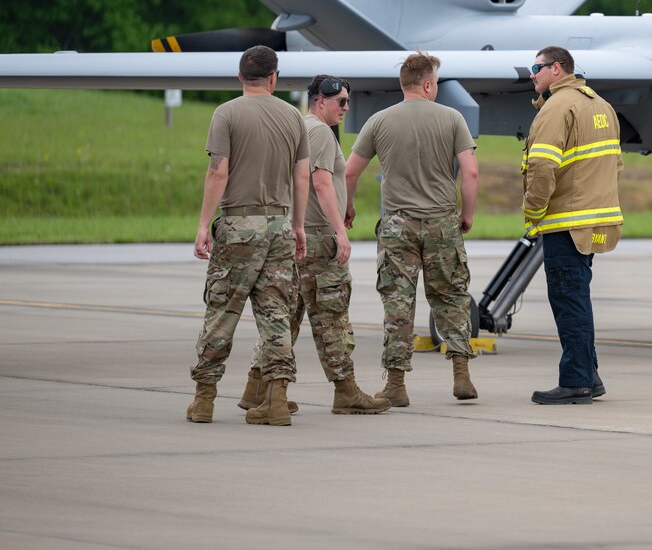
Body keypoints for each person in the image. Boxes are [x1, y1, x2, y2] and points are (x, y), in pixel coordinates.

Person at [238, 75, 390, 415]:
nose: (346, 108)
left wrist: (346, 204)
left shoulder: (297, 127)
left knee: (286, 319)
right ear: (321, 101)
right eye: (341, 102)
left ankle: (256, 389)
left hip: (295, 234)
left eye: (348, 101)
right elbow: (322, 182)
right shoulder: (320, 132)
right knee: (331, 317)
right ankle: (346, 391)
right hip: (318, 236)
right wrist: (340, 231)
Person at [345, 52, 480, 405]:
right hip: (442, 223)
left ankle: (396, 384)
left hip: (397, 225)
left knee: (398, 304)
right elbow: (470, 171)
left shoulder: (379, 121)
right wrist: (466, 214)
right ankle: (461, 375)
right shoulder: (452, 118)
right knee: (451, 298)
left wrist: (348, 206)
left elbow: (350, 171)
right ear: (428, 85)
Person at [187, 45, 309, 426]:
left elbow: (217, 172)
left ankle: (204, 400)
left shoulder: (226, 114)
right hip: (279, 225)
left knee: (222, 313)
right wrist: (298, 225)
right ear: (274, 78)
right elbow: (301, 176)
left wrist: (204, 224)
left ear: (240, 76)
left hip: (239, 226)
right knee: (276, 315)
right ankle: (276, 400)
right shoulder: (293, 117)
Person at [523, 46, 623, 405]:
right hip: (594, 220)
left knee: (568, 301)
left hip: (566, 221)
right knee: (578, 297)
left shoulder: (557, 107)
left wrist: (533, 211)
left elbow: (542, 166)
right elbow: (616, 164)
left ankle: (576, 380)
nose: (531, 74)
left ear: (557, 69)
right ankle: (589, 375)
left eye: (536, 67)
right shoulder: (600, 105)